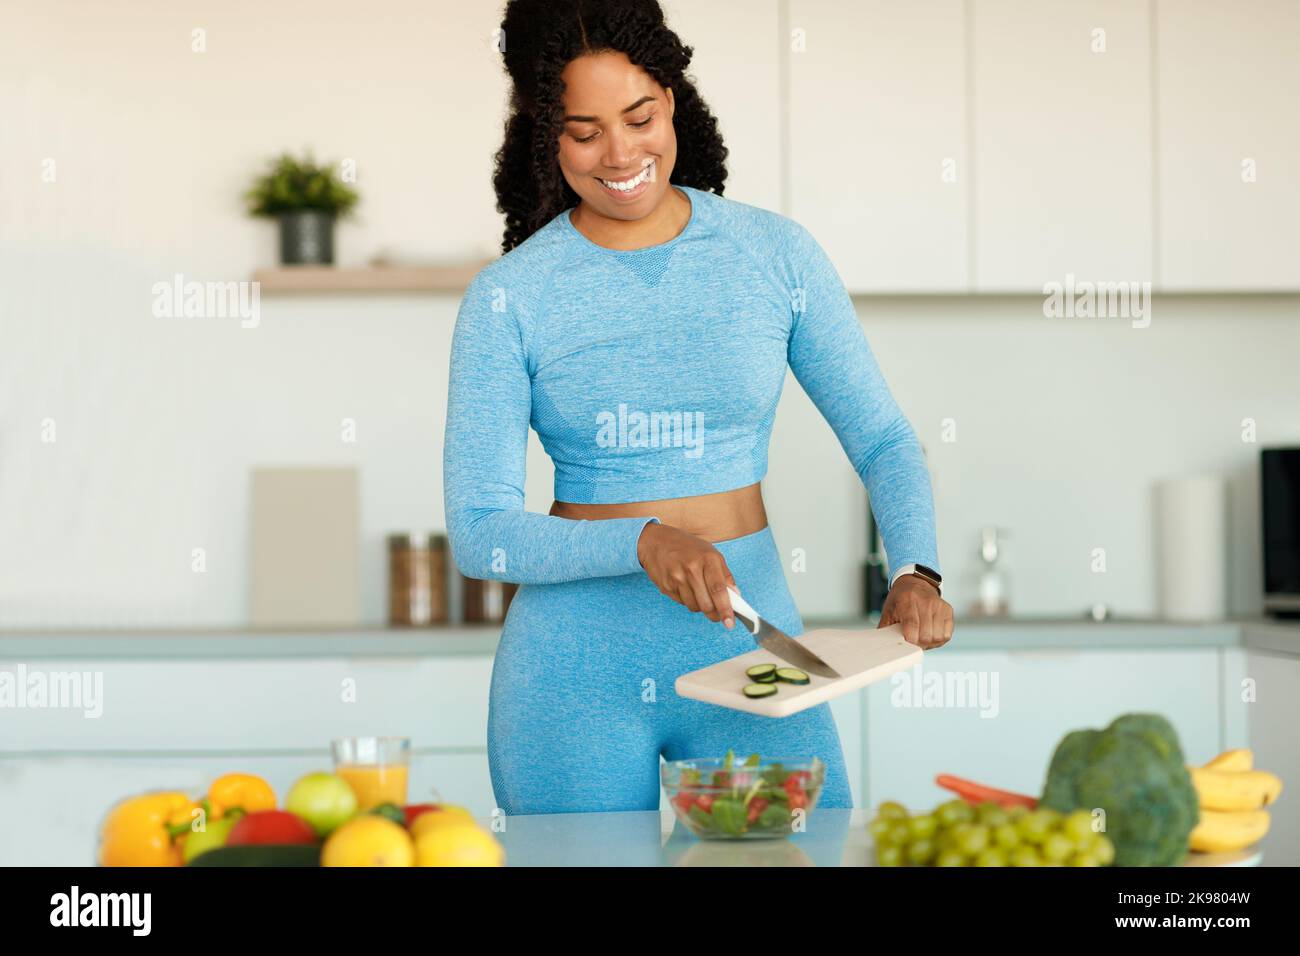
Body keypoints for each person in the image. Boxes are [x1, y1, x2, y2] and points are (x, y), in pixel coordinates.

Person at [443, 0, 953, 815]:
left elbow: (884, 438)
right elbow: (479, 529)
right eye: (584, 131)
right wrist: (641, 542)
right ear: (547, 135)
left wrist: (915, 568)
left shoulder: (774, 254)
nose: (620, 153)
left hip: (757, 655)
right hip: (575, 670)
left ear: (673, 100)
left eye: (639, 116)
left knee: (806, 854)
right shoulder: (510, 297)